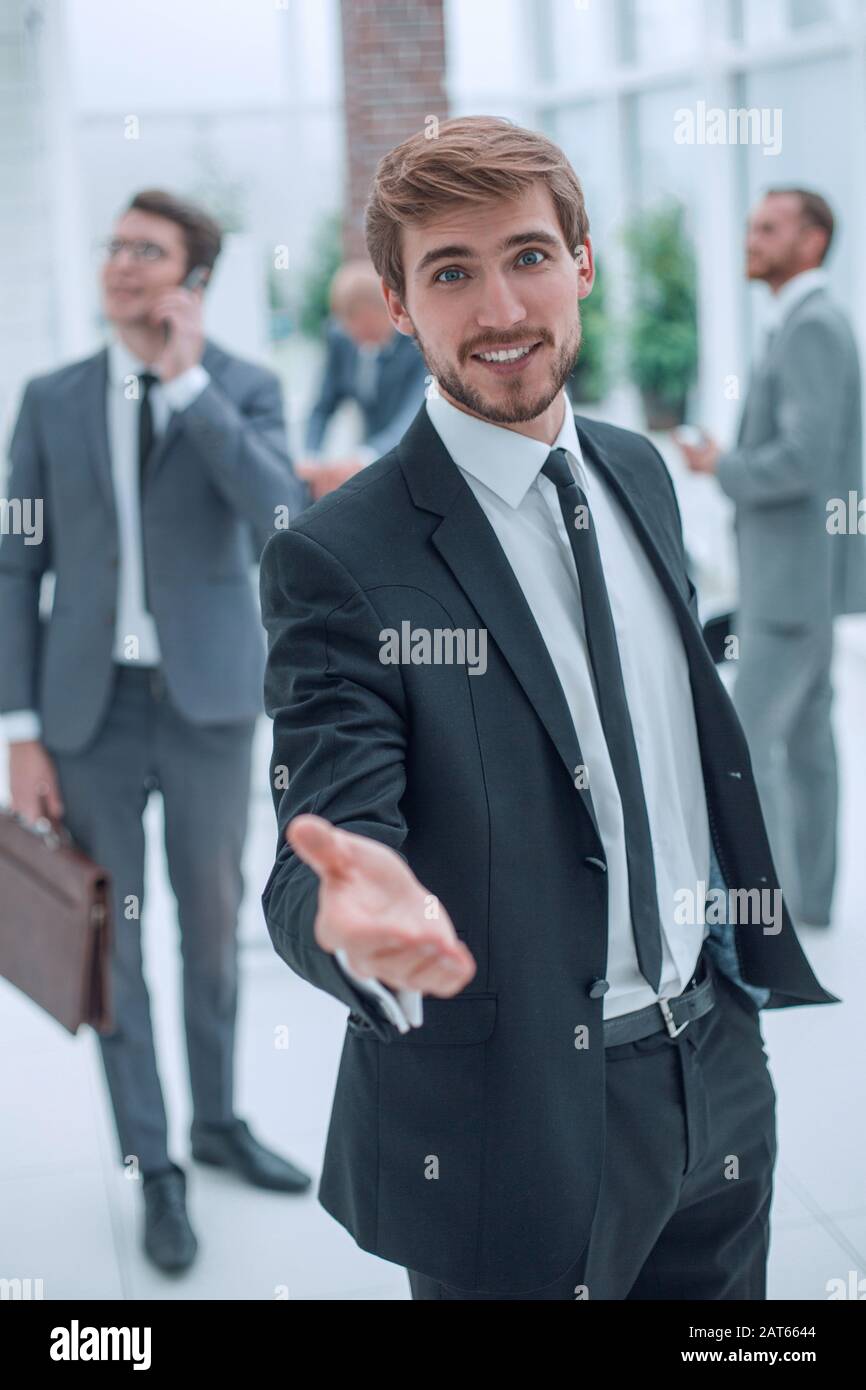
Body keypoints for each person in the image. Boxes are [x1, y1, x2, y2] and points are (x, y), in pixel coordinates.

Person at [259, 118, 836, 1301]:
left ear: (582, 262)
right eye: (450, 272)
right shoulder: (340, 557)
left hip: (713, 1061)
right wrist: (350, 913)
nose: (499, 307)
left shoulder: (636, 471)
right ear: (400, 304)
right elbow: (324, 836)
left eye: (525, 255)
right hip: (508, 1120)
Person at [0, 188, 312, 1275]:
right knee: (113, 943)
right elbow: (14, 565)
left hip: (213, 706)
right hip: (87, 714)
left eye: (149, 250)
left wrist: (185, 384)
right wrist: (21, 729)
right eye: (115, 245)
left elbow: (284, 520)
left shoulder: (241, 388)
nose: (122, 264)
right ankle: (155, 1166)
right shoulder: (49, 399)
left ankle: (216, 1121)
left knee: (212, 927)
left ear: (191, 279)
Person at [677, 188, 865, 930]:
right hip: (802, 577)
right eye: (751, 226)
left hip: (791, 582)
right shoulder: (801, 323)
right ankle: (808, 905)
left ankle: (770, 913)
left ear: (813, 242)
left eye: (769, 229)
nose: (751, 239)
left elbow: (802, 461)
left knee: (750, 740)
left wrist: (722, 467)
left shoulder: (811, 327)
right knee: (807, 742)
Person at [297, 260, 428, 500]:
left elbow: (412, 416)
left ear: (387, 311)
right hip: (370, 459)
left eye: (365, 326)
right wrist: (311, 456)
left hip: (413, 458)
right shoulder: (341, 339)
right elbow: (323, 405)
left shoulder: (417, 343)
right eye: (349, 325)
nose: (356, 334)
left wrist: (363, 458)